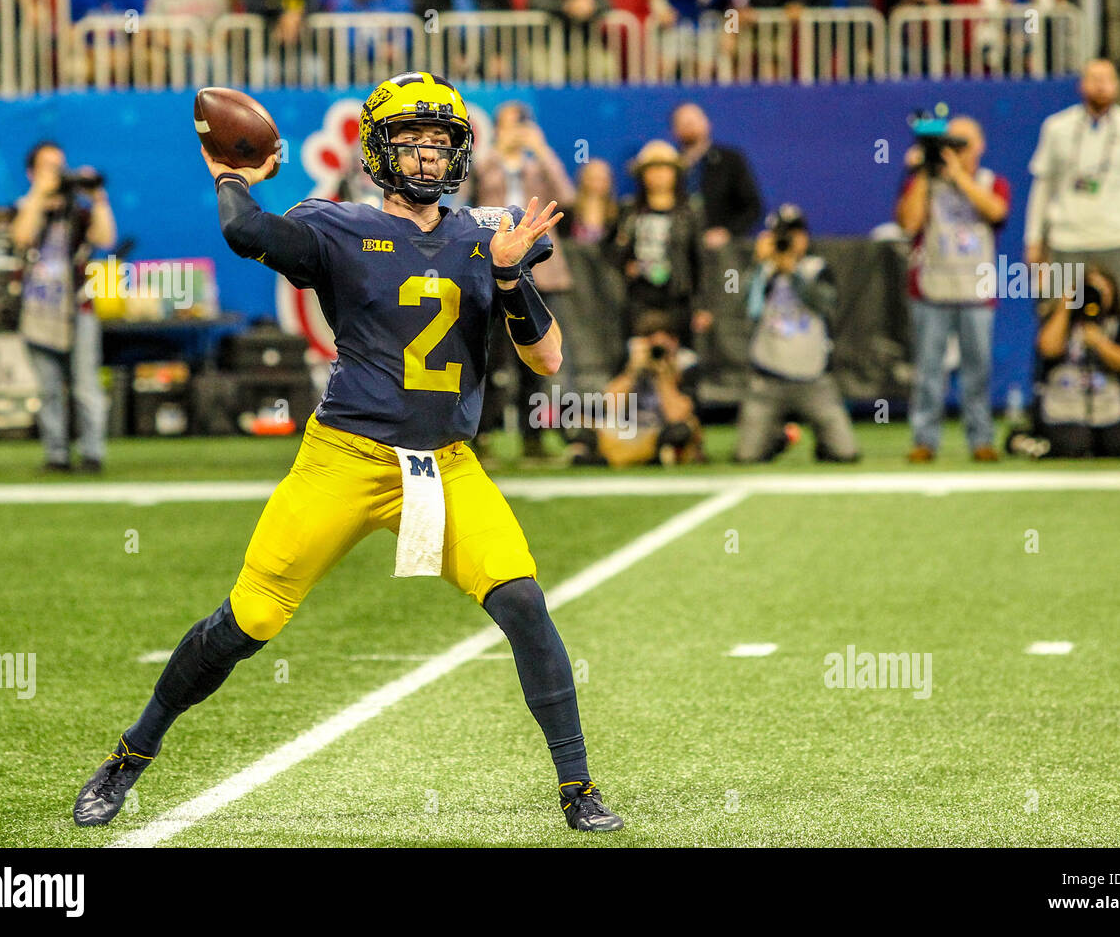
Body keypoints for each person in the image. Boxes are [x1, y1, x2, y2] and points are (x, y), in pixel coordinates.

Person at [72, 72, 623, 834]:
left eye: (441, 142)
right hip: (346, 459)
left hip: (447, 465)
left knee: (524, 602)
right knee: (248, 621)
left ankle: (578, 787)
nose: (428, 157)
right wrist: (231, 177)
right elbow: (246, 232)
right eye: (411, 140)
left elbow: (549, 361)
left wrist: (507, 272)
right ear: (377, 150)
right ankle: (129, 756)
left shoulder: (483, 235)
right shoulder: (336, 227)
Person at [1024, 58, 1120, 455]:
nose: (1100, 86)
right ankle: (1045, 416)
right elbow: (1042, 185)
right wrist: (1033, 240)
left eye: (1107, 80)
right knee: (1053, 318)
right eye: (1093, 79)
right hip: (1068, 238)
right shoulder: (1056, 128)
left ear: (1116, 87)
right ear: (1082, 85)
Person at [895, 115, 1011, 462]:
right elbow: (909, 222)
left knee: (978, 370)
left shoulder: (992, 181)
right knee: (929, 371)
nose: (956, 151)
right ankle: (924, 439)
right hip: (933, 289)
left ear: (980, 146)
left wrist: (960, 176)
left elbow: (996, 211)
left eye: (963, 143)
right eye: (951, 143)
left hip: (976, 289)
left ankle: (981, 439)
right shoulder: (926, 183)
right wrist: (921, 173)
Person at [470, 101, 577, 459]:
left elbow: (567, 196)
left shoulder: (537, 164)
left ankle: (534, 439)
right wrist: (497, 151)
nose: (514, 132)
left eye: (520, 125)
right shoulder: (488, 162)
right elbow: (468, 194)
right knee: (492, 359)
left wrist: (541, 148)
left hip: (539, 270)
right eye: (508, 125)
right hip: (494, 264)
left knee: (536, 359)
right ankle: (481, 435)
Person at [9, 141, 116, 473]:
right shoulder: (25, 207)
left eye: (60, 166)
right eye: (48, 167)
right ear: (32, 172)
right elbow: (22, 237)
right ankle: (56, 455)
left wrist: (97, 196)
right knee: (48, 388)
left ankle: (92, 454)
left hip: (78, 307)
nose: (57, 173)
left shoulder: (78, 211)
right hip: (38, 310)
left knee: (86, 384)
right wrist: (41, 194)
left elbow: (106, 239)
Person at [733, 205, 860, 463]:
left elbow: (823, 303)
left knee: (845, 453)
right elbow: (747, 307)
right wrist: (760, 266)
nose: (790, 241)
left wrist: (793, 271)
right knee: (747, 456)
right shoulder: (762, 272)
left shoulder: (817, 268)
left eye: (795, 234)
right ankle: (778, 437)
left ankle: (823, 443)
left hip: (813, 378)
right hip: (767, 380)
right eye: (783, 235)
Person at [1010, 265, 1120, 458]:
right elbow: (1047, 348)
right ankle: (1024, 438)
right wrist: (1065, 306)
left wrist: (1099, 342)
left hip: (1106, 405)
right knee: (1072, 445)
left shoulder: (1115, 324)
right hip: (1065, 404)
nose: (1096, 296)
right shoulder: (1064, 322)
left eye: (1103, 290)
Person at [610, 139, 707, 345]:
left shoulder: (690, 210)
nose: (659, 175)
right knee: (636, 354)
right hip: (638, 297)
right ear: (642, 174)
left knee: (680, 359)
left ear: (675, 173)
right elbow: (611, 250)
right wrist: (626, 266)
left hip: (677, 298)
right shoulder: (629, 209)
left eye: (665, 169)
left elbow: (700, 260)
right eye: (652, 169)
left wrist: (702, 306)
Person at [589, 309, 704, 467]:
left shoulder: (685, 363)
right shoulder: (629, 358)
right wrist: (633, 370)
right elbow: (610, 405)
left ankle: (619, 458)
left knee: (683, 430)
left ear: (675, 342)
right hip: (629, 429)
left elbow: (677, 415)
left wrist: (662, 376)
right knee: (579, 425)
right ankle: (650, 457)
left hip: (661, 430)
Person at [670, 102, 763, 252]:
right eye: (683, 123)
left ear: (707, 123)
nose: (689, 126)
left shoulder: (730, 160)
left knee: (729, 276)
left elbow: (753, 207)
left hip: (723, 252)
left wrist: (727, 232)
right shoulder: (669, 165)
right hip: (680, 250)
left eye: (693, 121)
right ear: (674, 130)